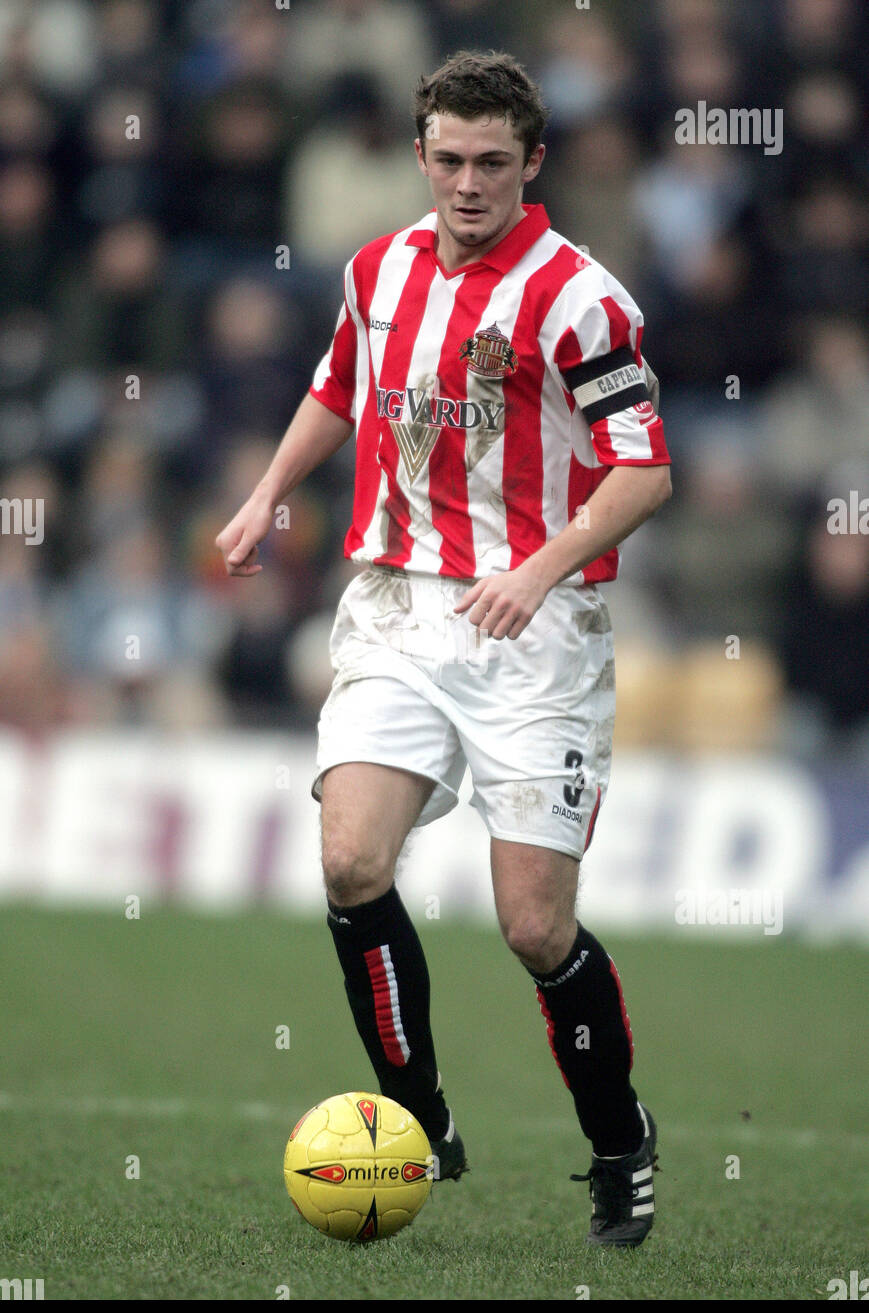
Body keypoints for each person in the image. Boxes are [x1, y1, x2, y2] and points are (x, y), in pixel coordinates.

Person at [216, 50, 672, 1247]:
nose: (466, 183)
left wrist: (539, 565)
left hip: (534, 631)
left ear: (532, 162)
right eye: (448, 159)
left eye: (490, 163)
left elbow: (645, 467)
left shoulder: (579, 297)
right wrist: (267, 495)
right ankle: (416, 1114)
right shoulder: (378, 269)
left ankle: (619, 1138)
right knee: (351, 862)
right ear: (419, 156)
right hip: (397, 611)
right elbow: (338, 386)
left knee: (533, 928)